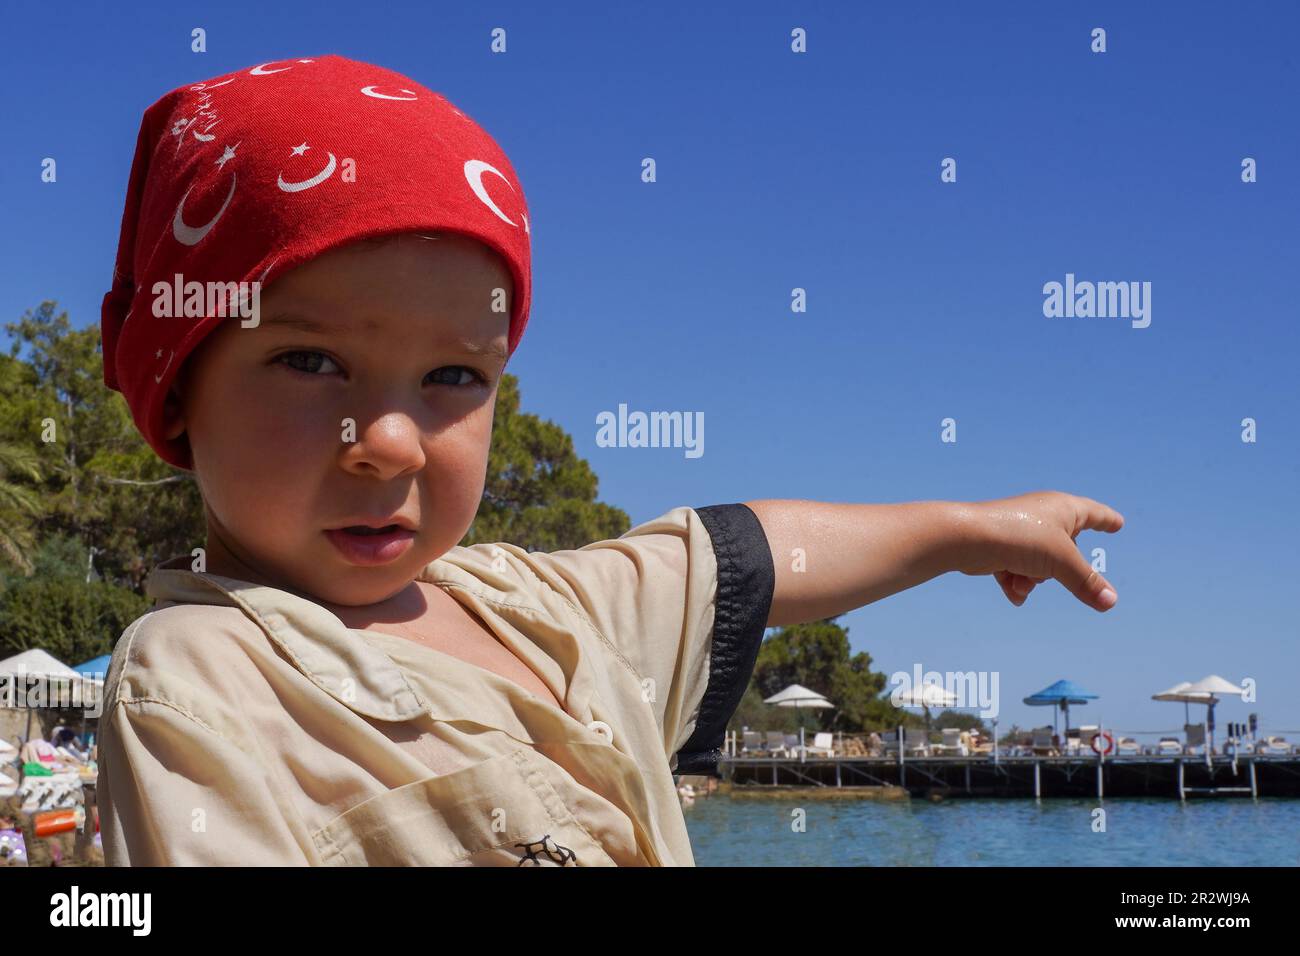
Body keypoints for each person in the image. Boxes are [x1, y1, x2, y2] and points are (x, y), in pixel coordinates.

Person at [95, 54, 1125, 866]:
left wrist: (964, 529)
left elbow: (749, 556)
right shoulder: (199, 678)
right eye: (310, 360)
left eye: (452, 377)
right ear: (179, 383)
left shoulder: (532, 604)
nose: (393, 441)